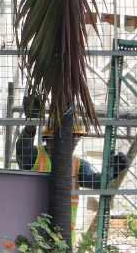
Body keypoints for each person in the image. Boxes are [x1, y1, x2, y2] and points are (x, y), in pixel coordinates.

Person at [16, 97, 129, 233]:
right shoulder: (35, 156)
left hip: (63, 236)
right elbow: (22, 150)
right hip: (34, 233)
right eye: (71, 137)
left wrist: (113, 171)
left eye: (76, 138)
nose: (74, 142)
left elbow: (95, 181)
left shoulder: (77, 165)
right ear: (52, 137)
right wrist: (31, 124)